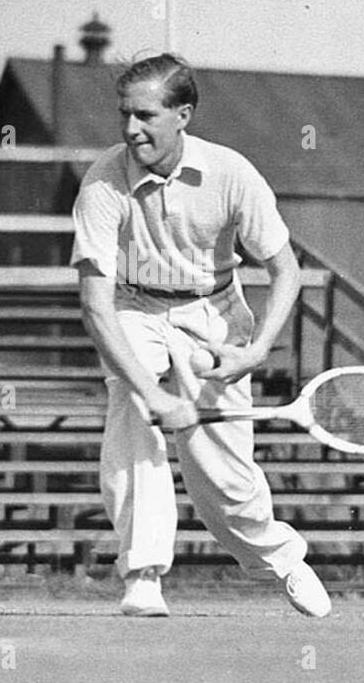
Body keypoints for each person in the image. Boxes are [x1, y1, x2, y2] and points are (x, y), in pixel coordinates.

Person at [70, 53, 331, 618]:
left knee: (226, 484)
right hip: (132, 309)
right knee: (133, 411)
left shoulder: (232, 173)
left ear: (183, 114)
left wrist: (255, 350)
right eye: (125, 115)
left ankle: (283, 559)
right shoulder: (102, 182)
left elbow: (286, 271)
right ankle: (142, 575)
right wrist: (156, 395)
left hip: (214, 316)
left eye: (146, 116)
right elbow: (95, 305)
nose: (131, 129)